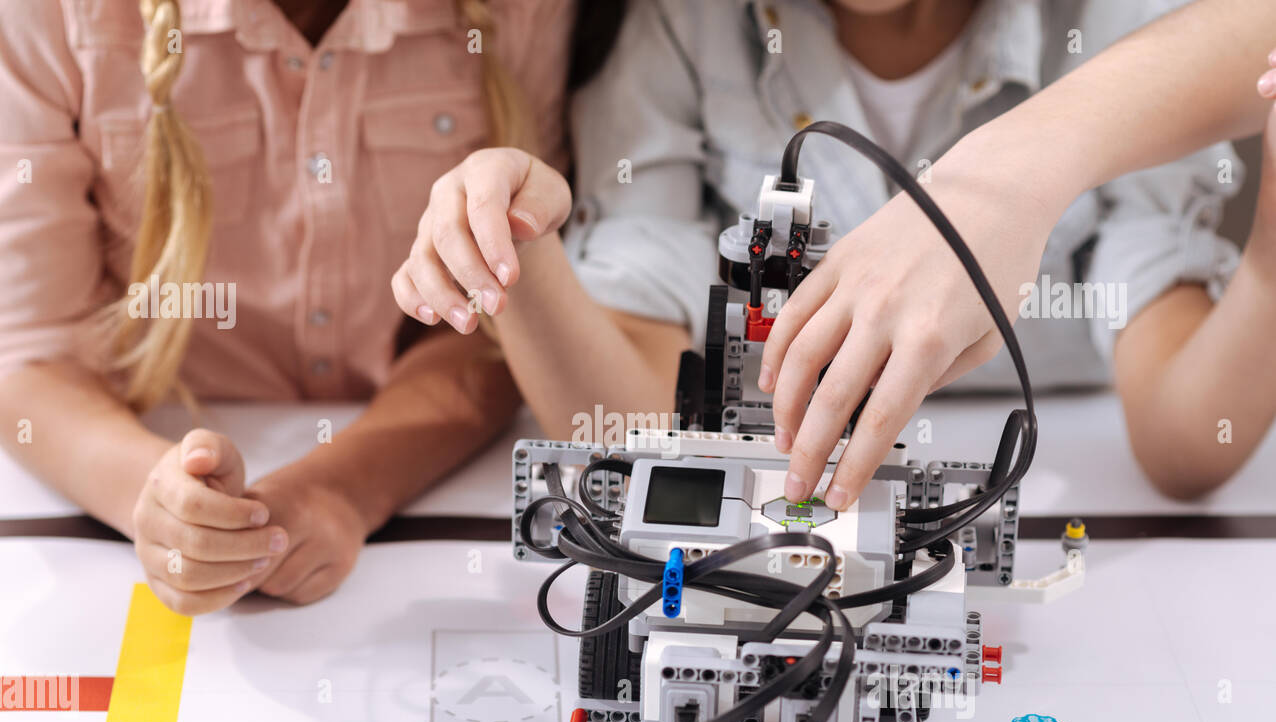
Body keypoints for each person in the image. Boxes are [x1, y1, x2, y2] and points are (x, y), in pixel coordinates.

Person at [399, 0, 1271, 506]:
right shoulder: (682, 25)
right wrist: (524, 249)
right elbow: (631, 432)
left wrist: (1011, 174)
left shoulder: (1111, 21)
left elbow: (1190, 438)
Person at [0, 0, 573, 613]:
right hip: (132, 450)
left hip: (424, 479)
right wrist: (162, 502)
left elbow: (500, 322)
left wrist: (343, 485)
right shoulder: (40, 15)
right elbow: (21, 346)